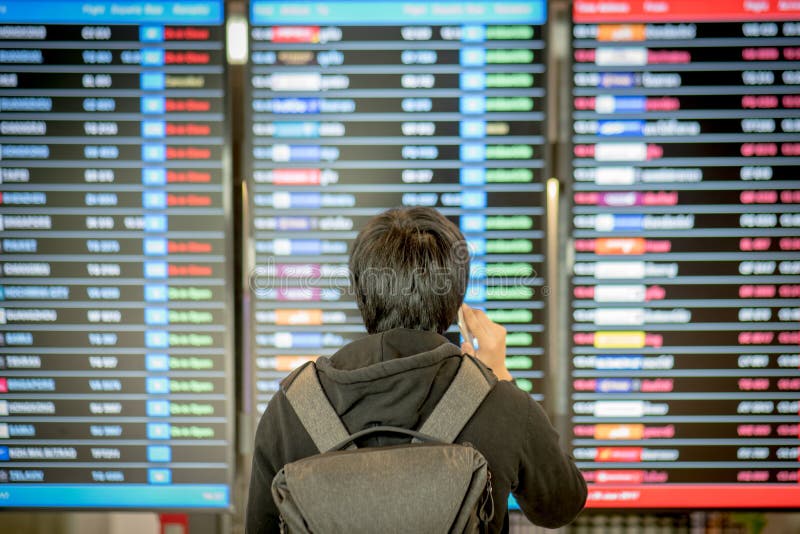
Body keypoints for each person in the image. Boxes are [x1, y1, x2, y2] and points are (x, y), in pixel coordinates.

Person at [246, 207, 587, 533]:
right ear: (457, 299)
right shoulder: (499, 403)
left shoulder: (292, 408)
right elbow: (561, 505)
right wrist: (500, 374)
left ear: (361, 292)